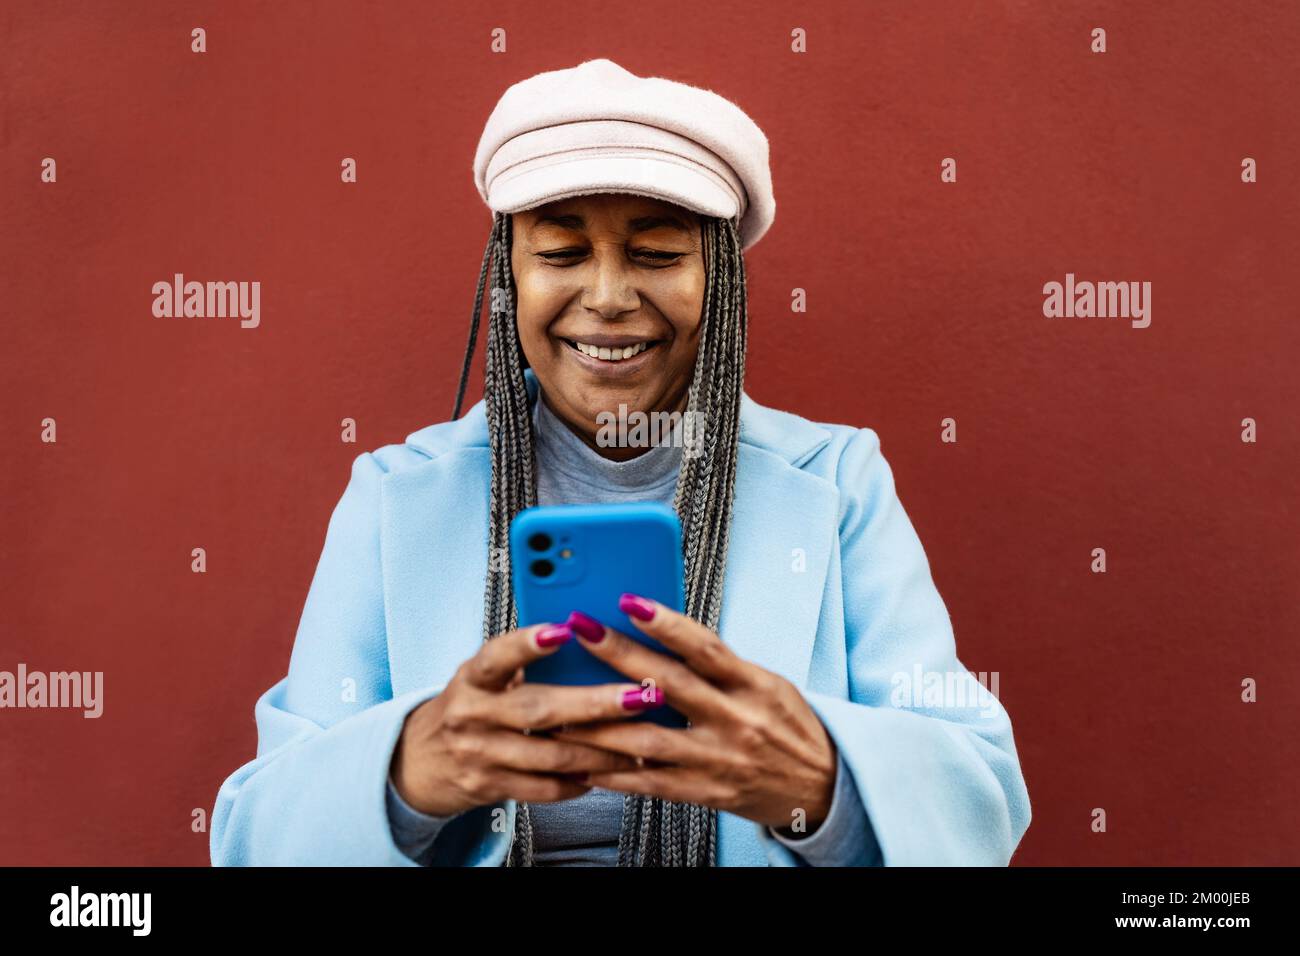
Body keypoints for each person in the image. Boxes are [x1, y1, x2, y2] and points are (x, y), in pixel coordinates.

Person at [210, 58, 1031, 867]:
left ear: (721, 281)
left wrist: (818, 784)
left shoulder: (839, 481)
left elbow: (983, 803)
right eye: (561, 254)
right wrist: (405, 777)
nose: (606, 296)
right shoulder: (396, 497)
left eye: (659, 254)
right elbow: (255, 840)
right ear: (510, 276)